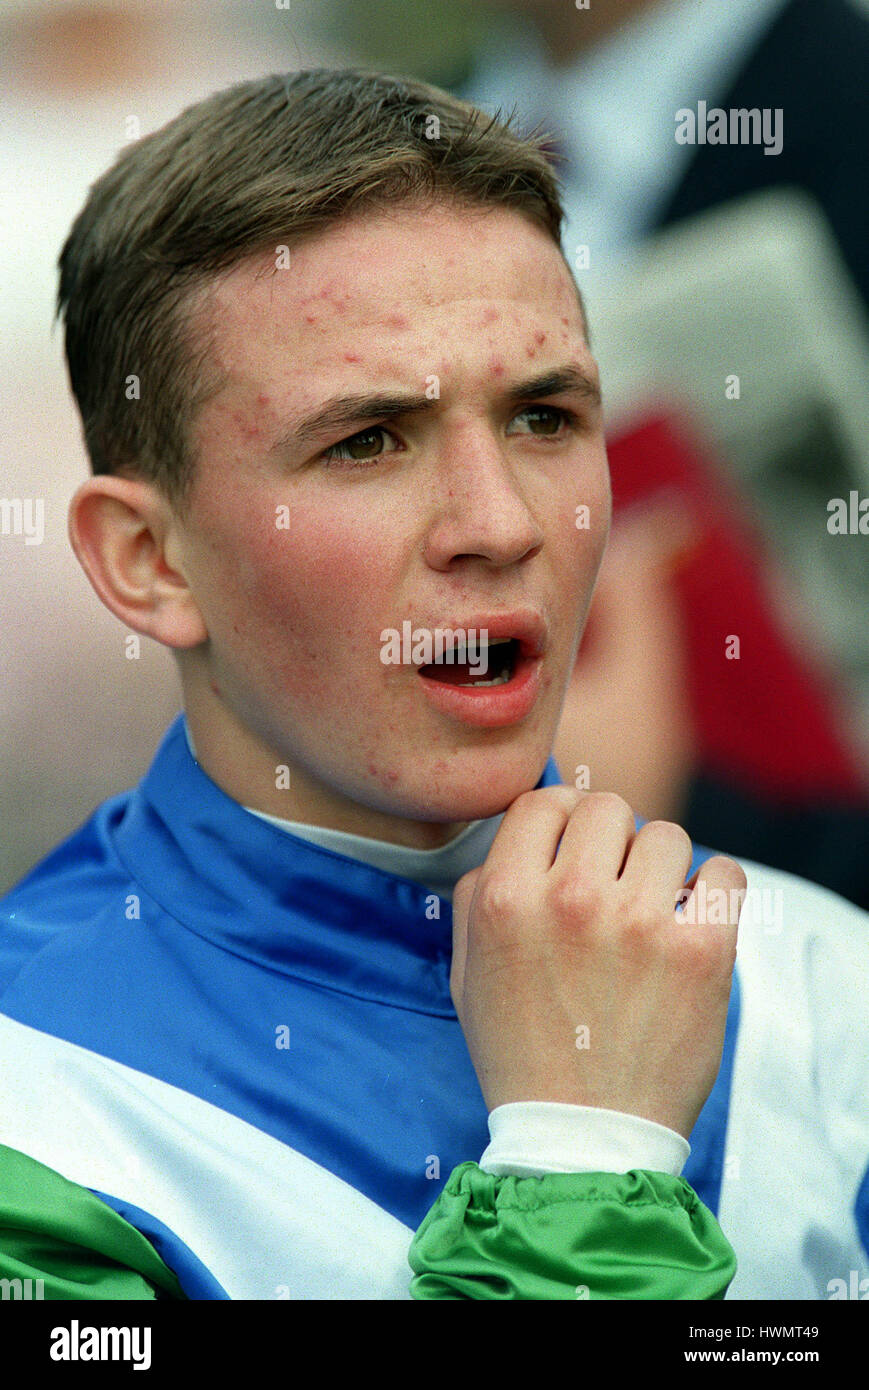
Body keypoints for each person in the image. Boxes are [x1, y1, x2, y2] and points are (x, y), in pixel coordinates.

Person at [0, 68, 865, 1301]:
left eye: (543, 417)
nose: (498, 522)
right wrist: (584, 1162)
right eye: (365, 441)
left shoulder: (827, 978)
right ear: (147, 560)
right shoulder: (37, 1115)